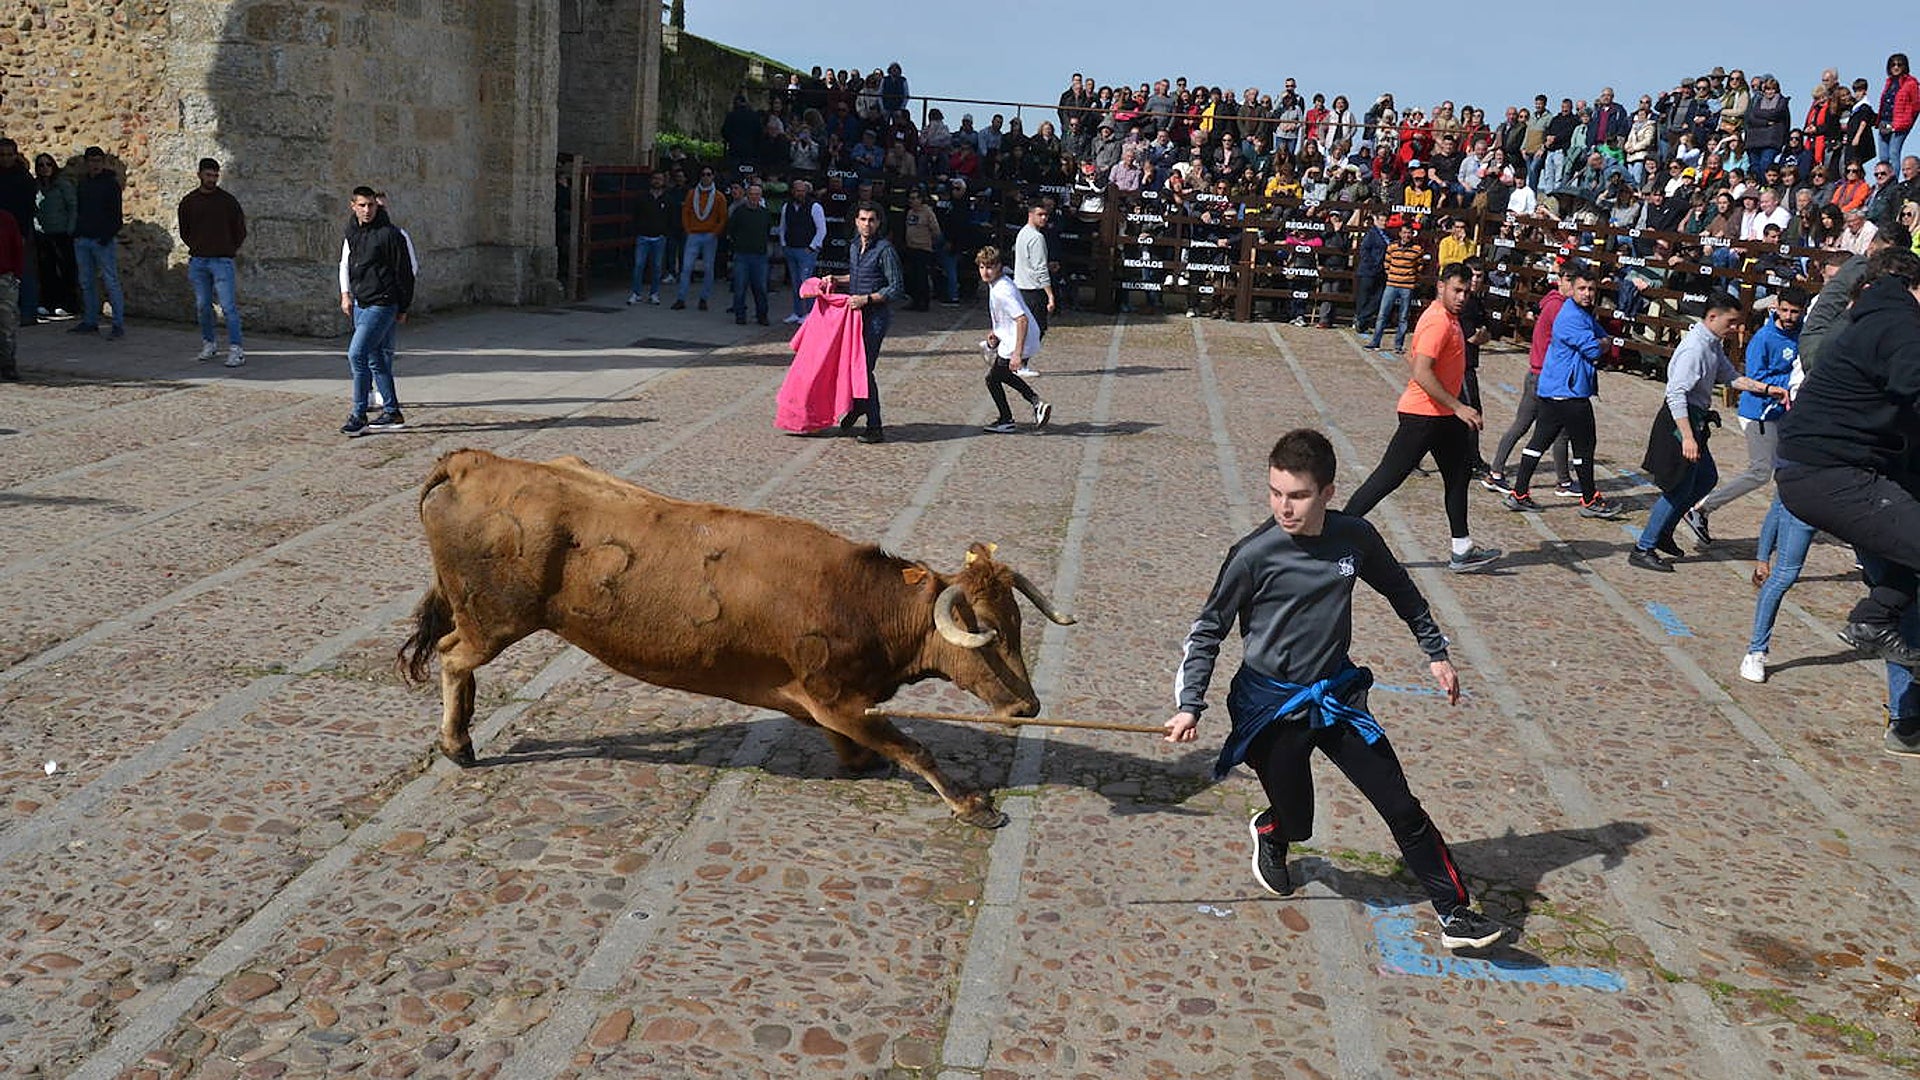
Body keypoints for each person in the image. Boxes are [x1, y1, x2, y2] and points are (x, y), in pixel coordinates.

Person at [1163, 428, 1509, 952]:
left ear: (1327, 492)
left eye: (1297, 495)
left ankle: (1454, 913)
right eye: (1275, 492)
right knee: (1299, 821)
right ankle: (1273, 831)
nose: (1284, 507)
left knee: (1402, 807)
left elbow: (1402, 590)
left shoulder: (1355, 538)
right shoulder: (1253, 555)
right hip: (1270, 706)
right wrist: (1190, 706)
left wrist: (1435, 653)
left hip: (1337, 696)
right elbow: (1207, 629)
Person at [1776, 246, 1920, 668]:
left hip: (1828, 468)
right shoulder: (1901, 325)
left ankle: (1875, 620)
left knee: (1906, 549)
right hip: (1829, 472)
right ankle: (1874, 622)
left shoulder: (1881, 319)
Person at [1343, 262, 1502, 573]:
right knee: (1387, 478)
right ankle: (1336, 533)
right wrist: (1459, 407)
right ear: (1440, 286)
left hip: (1443, 416)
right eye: (1456, 290)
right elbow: (1421, 370)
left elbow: (1417, 357)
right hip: (1424, 416)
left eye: (1466, 292)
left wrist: (1474, 344)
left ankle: (1462, 547)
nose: (1461, 297)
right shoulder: (1437, 322)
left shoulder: (1449, 318)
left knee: (1458, 477)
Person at [1628, 293, 1789, 572]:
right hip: (1681, 422)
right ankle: (1643, 546)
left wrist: (1765, 389)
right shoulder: (1695, 349)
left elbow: (1730, 376)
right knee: (1678, 488)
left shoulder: (1713, 344)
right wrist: (1688, 437)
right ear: (1712, 317)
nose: (1735, 328)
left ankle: (1665, 531)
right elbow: (1675, 394)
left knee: (1706, 478)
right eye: (1731, 322)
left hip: (1696, 420)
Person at [1683, 288, 1805, 545]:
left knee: (1792, 470)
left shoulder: (1804, 334)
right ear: (1776, 308)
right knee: (1761, 471)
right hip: (1760, 411)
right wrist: (1796, 378)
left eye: (1795, 311)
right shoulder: (1764, 338)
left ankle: (1785, 528)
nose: (1789, 316)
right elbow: (1754, 378)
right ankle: (1702, 508)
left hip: (1786, 412)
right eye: (1785, 310)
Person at [1501, 262, 1624, 518]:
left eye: (1591, 289)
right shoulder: (1570, 316)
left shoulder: (1583, 314)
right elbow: (1594, 348)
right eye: (1582, 289)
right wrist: (1601, 344)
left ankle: (1519, 493)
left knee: (1540, 441)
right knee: (1584, 445)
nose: (1587, 294)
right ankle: (1590, 499)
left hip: (1555, 389)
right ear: (1572, 289)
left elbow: (1601, 337)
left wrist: (1600, 341)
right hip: (1569, 392)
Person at [821, 201, 904, 444]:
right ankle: (859, 407)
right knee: (851, 367)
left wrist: (867, 299)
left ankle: (875, 425)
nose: (867, 224)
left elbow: (896, 287)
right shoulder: (855, 245)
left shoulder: (885, 249)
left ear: (878, 223)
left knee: (864, 370)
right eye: (863, 219)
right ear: (856, 221)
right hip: (855, 317)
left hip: (875, 317)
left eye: (871, 220)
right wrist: (836, 278)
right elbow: (857, 277)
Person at [337, 186, 414, 437]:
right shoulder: (352, 232)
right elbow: (347, 264)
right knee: (375, 358)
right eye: (362, 205)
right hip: (361, 302)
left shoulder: (391, 235)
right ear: (353, 206)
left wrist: (403, 306)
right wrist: (347, 294)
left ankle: (359, 414)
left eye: (371, 205)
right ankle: (392, 411)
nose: (367, 210)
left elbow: (405, 272)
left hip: (382, 303)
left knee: (356, 355)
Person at [177, 157, 247, 367]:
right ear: (199, 175)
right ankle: (209, 342)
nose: (212, 179)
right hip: (199, 260)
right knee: (203, 306)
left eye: (215, 176)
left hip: (222, 260)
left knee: (228, 307)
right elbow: (185, 230)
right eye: (208, 175)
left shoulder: (227, 202)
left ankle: (236, 348)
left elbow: (240, 230)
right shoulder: (189, 202)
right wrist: (198, 246)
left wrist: (227, 249)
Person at [976, 247, 1052, 435]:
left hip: (1020, 340)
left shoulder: (1002, 290)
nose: (985, 271)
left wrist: (1017, 354)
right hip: (1013, 337)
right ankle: (1036, 403)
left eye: (990, 267)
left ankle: (1007, 419)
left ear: (999, 267)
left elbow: (1021, 319)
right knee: (1001, 375)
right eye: (982, 267)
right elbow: (1005, 316)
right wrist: (997, 333)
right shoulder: (999, 284)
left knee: (992, 379)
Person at [71, 147, 126, 338]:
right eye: (91, 161)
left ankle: (118, 324)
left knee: (111, 281)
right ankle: (90, 320)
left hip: (102, 240)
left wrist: (106, 235)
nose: (94, 165)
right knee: (86, 282)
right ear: (86, 163)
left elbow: (116, 216)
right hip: (83, 238)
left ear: (103, 162)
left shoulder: (111, 185)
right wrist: (76, 232)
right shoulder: (83, 183)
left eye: (98, 161)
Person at [672, 166, 726, 311]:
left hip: (710, 235)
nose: (706, 177)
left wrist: (715, 232)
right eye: (703, 174)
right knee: (686, 267)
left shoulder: (719, 196)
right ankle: (681, 298)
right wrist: (688, 230)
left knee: (708, 268)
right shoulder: (692, 194)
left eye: (709, 174)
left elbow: (722, 218)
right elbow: (686, 212)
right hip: (694, 234)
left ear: (713, 176)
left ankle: (704, 298)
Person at [32, 153, 77, 318]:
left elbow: (72, 206)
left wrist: (70, 229)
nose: (45, 168)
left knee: (64, 269)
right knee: (46, 270)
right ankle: (48, 302)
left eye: (48, 164)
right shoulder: (36, 185)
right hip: (43, 233)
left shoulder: (62, 185)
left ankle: (67, 304)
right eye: (41, 165)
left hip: (62, 233)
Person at [778, 178, 825, 323]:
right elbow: (783, 226)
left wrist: (812, 247)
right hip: (791, 248)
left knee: (807, 283)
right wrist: (784, 244)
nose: (800, 193)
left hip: (806, 251)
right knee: (795, 282)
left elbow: (821, 229)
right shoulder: (787, 206)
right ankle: (797, 312)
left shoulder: (815, 206)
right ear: (793, 191)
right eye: (797, 191)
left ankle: (810, 313)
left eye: (802, 191)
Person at [724, 181, 772, 326]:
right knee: (740, 287)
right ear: (747, 195)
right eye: (751, 194)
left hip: (760, 256)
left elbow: (767, 230)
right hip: (742, 255)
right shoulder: (739, 212)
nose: (754, 197)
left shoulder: (765, 213)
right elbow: (730, 230)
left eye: (757, 194)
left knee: (761, 288)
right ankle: (740, 315)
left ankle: (762, 315)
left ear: (761, 196)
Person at [627, 169, 674, 306]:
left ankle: (654, 293)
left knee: (657, 266)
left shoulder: (668, 199)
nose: (657, 181)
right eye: (655, 178)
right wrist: (637, 229)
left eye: (659, 179)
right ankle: (636, 293)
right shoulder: (641, 197)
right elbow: (635, 215)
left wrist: (665, 232)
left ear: (663, 181)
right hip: (643, 237)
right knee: (638, 265)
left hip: (659, 237)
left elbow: (671, 218)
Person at [1012, 202, 1054, 351]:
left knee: (1023, 327)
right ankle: (1022, 361)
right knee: (1037, 329)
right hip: (1033, 289)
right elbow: (1040, 269)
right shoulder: (1037, 238)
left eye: (1046, 215)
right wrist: (1050, 294)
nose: (1044, 218)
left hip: (1021, 287)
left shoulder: (1022, 233)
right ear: (1030, 215)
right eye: (1040, 215)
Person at [0, 206, 20, 380]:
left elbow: (17, 247)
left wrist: (16, 275)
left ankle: (8, 365)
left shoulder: (6, 219)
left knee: (7, 325)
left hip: (4, 278)